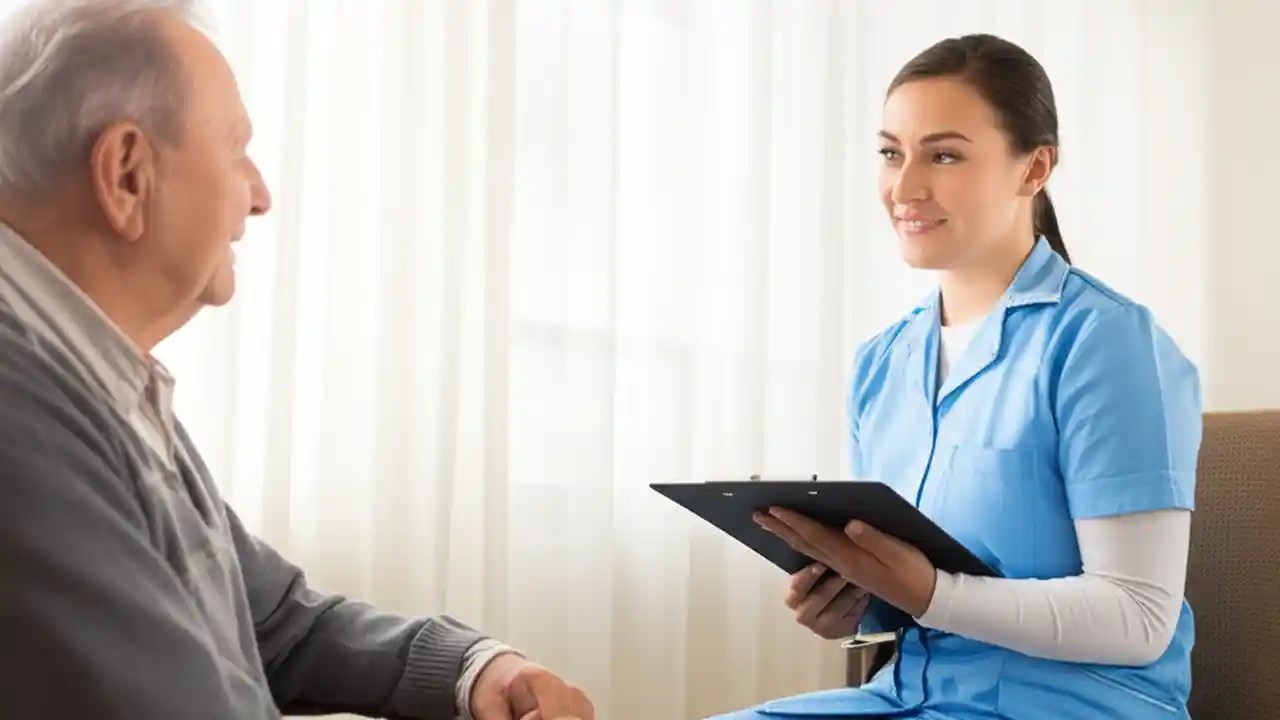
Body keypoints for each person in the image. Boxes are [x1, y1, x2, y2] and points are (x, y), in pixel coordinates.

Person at [0, 2, 594, 719]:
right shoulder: (22, 411)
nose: (259, 196)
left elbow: (278, 626)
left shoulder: (99, 380)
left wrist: (475, 671)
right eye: (234, 151)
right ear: (126, 173)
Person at [714, 34, 1201, 719]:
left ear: (1033, 169)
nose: (905, 187)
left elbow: (1139, 617)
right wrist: (852, 606)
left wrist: (928, 592)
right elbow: (914, 595)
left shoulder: (1109, 343)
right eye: (891, 153)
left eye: (943, 155)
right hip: (909, 698)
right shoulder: (880, 364)